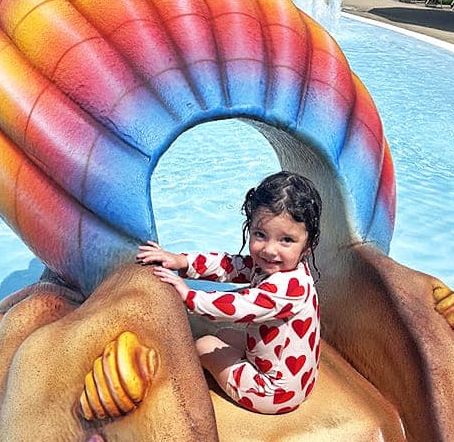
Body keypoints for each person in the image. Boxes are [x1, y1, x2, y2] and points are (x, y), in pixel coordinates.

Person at [136, 172, 322, 414]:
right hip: (296, 377)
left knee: (204, 344)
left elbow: (237, 306)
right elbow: (229, 266)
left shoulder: (288, 289)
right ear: (250, 227)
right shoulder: (291, 267)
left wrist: (188, 296)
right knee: (224, 334)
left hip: (274, 392)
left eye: (286, 240)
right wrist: (180, 261)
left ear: (308, 246)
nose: (269, 249)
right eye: (260, 235)